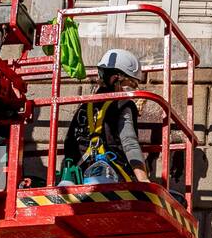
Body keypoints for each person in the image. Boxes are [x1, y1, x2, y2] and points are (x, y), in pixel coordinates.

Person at [63, 48, 150, 185]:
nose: (135, 89)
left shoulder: (85, 107)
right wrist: (143, 179)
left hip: (80, 174)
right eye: (132, 83)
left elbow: (69, 144)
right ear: (116, 78)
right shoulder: (123, 104)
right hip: (111, 174)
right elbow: (129, 142)